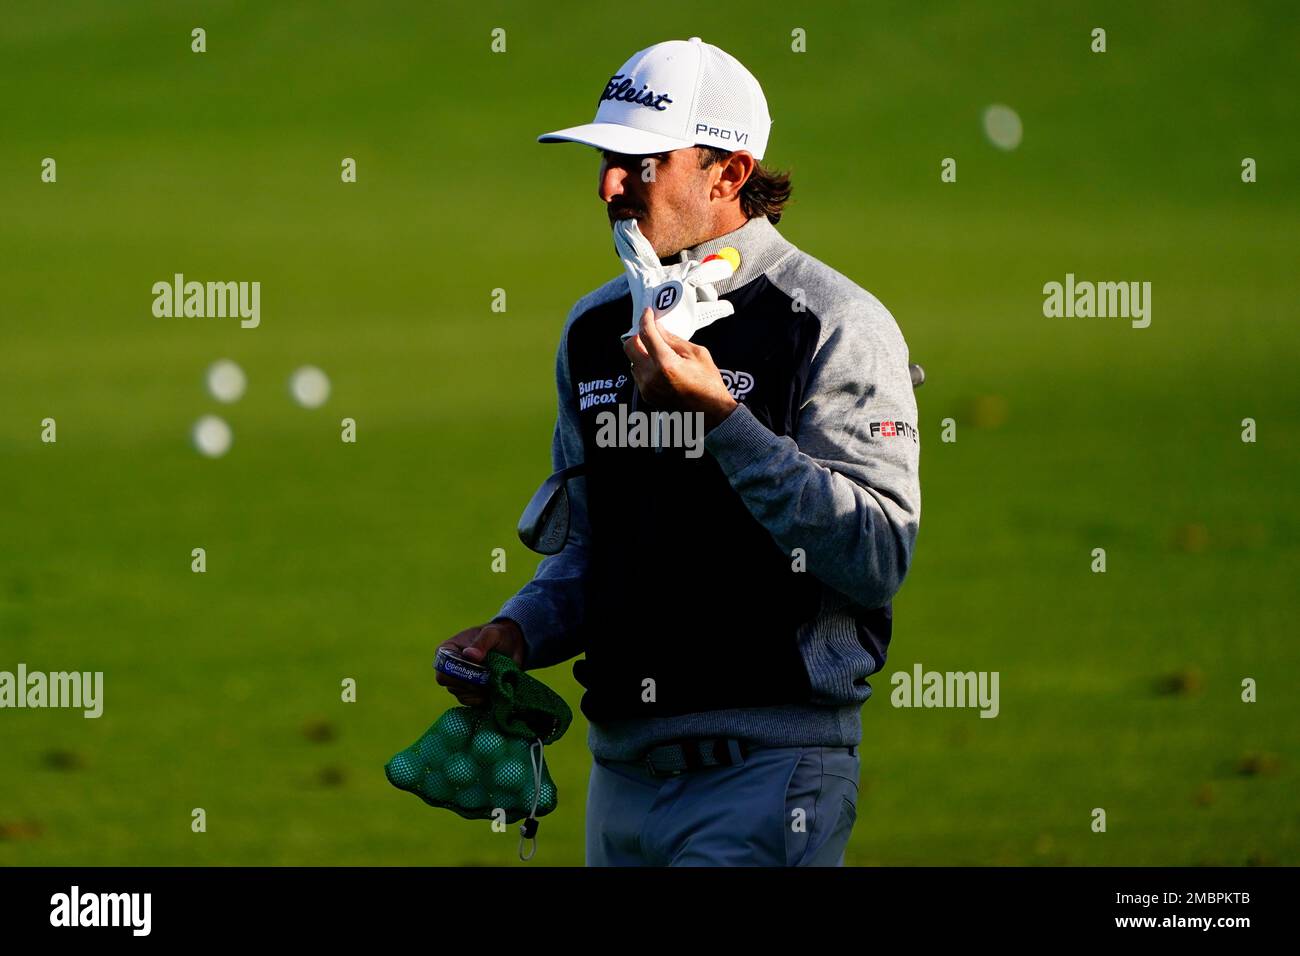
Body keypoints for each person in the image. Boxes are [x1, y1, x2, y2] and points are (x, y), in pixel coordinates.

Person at [436, 37, 921, 866]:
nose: (607, 186)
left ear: (729, 173)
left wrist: (723, 422)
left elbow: (874, 555)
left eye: (639, 162)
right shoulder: (596, 330)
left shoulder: (833, 322)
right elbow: (598, 547)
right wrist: (519, 630)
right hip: (619, 781)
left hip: (767, 779)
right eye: (602, 161)